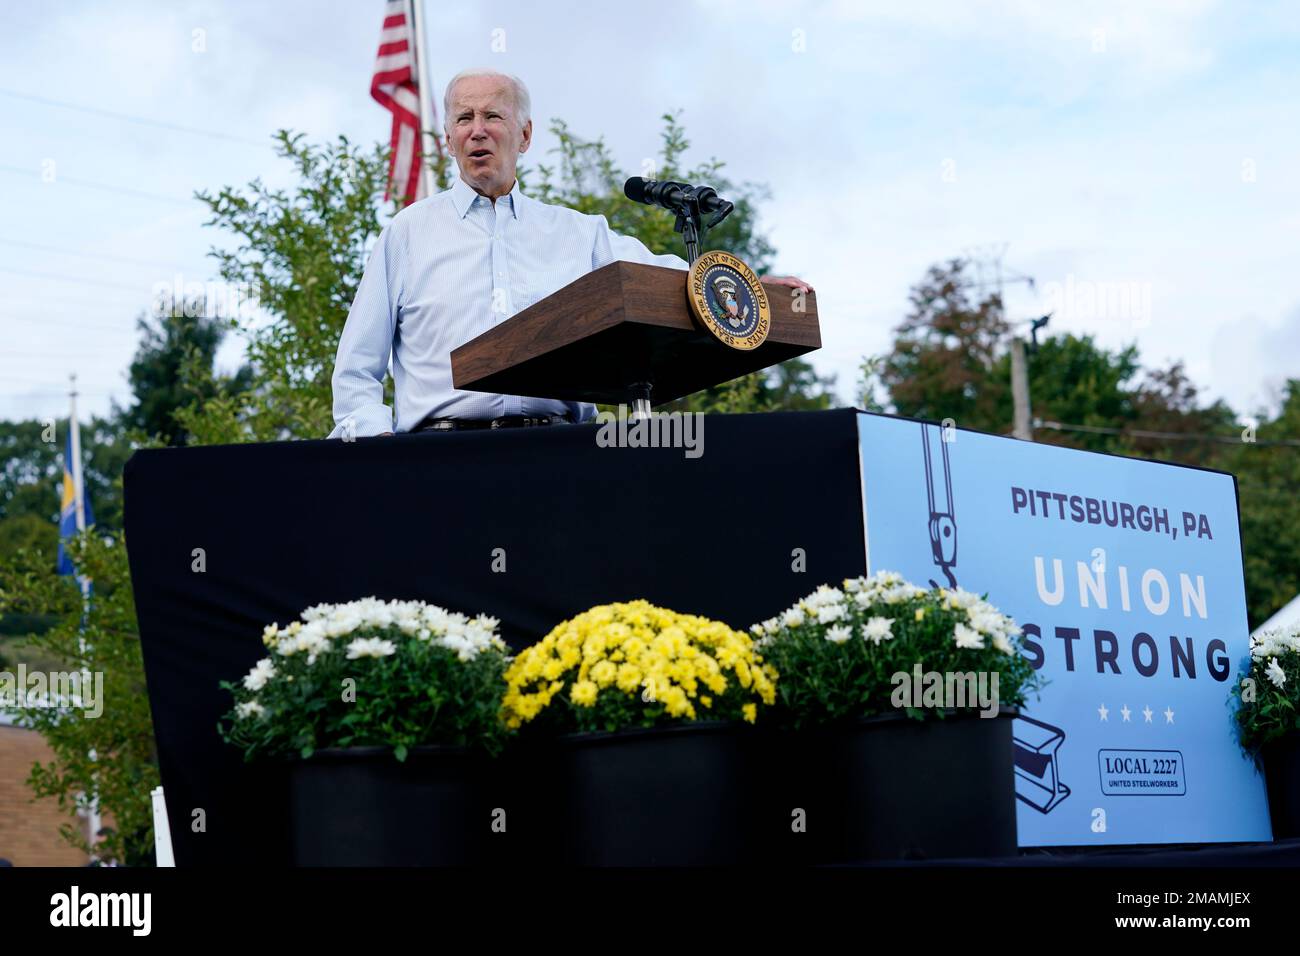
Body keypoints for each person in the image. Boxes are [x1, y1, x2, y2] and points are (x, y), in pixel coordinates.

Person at [328, 67, 812, 438]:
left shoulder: (580, 233)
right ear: (448, 140)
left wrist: (745, 285)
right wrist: (383, 451)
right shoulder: (406, 234)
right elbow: (355, 373)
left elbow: (666, 282)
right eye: (464, 118)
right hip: (443, 460)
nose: (478, 130)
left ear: (525, 135)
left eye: (493, 116)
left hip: (563, 456)